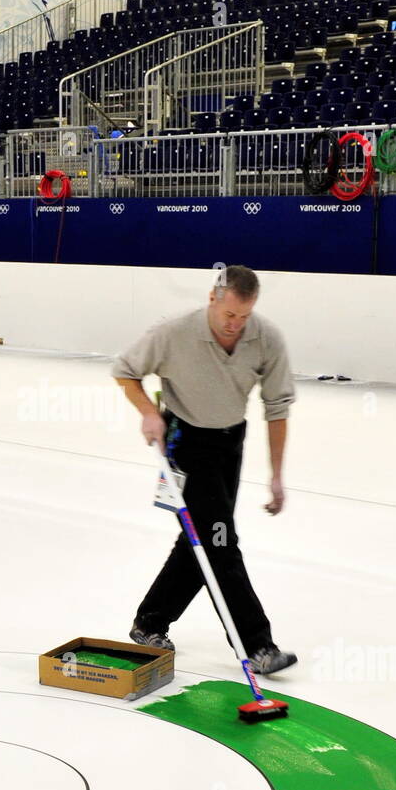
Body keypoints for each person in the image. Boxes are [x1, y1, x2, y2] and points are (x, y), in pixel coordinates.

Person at [112, 265, 297, 675]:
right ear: (212, 299)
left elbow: (277, 407)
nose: (236, 325)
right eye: (230, 315)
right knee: (219, 539)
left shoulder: (266, 338)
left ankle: (149, 622)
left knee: (199, 540)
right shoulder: (174, 333)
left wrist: (277, 474)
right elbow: (124, 370)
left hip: (230, 441)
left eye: (244, 317)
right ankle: (257, 645)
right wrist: (148, 414)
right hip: (183, 439)